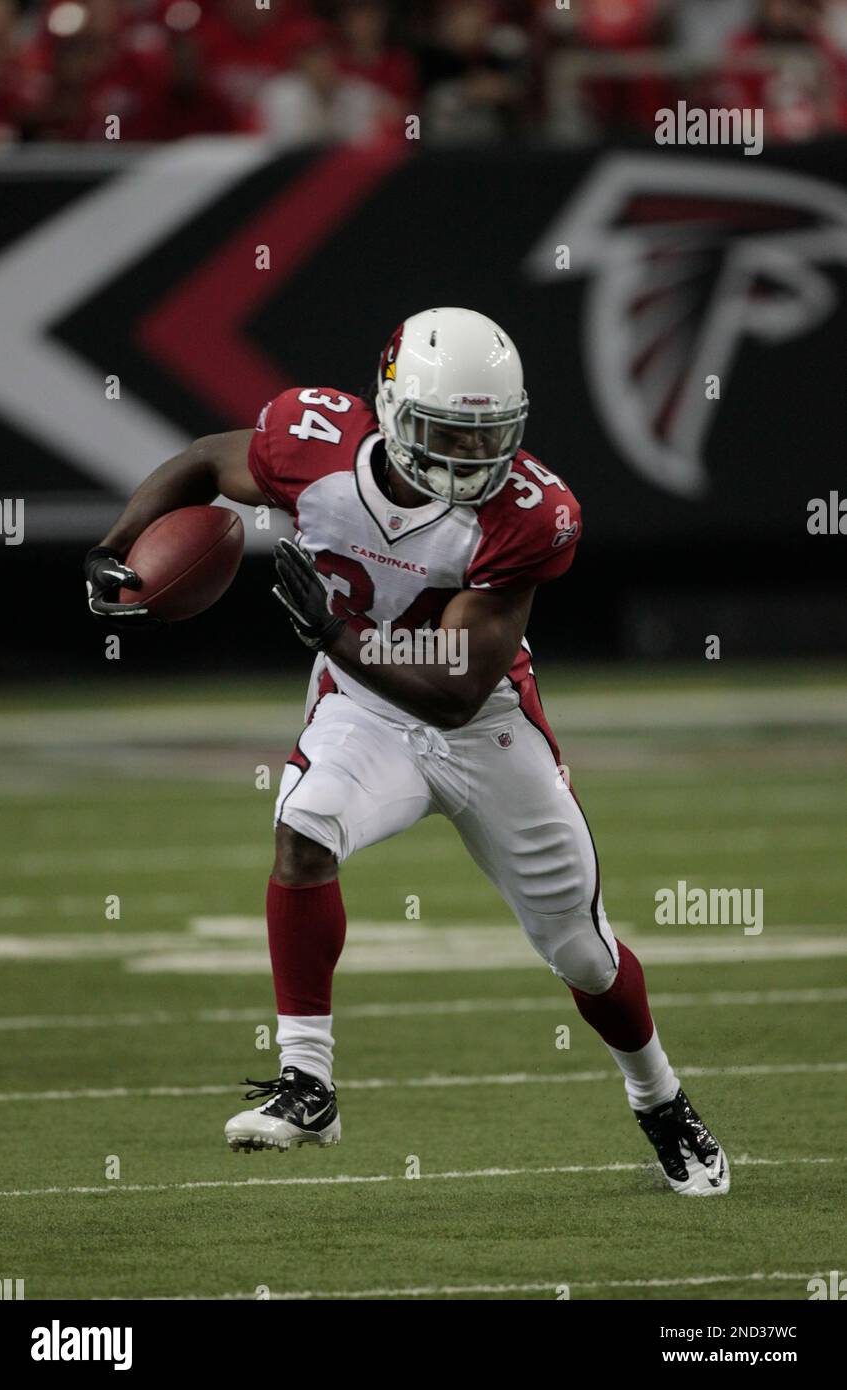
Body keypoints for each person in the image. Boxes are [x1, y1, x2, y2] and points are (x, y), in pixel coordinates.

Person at [85, 306, 729, 1196]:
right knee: (304, 830)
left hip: (486, 727)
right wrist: (119, 550)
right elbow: (204, 460)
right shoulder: (312, 443)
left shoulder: (531, 514)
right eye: (443, 433)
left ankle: (658, 1095)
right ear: (389, 408)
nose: (467, 459)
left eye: (486, 437)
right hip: (362, 712)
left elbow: (458, 681)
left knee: (582, 951)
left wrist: (337, 635)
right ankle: (308, 1082)